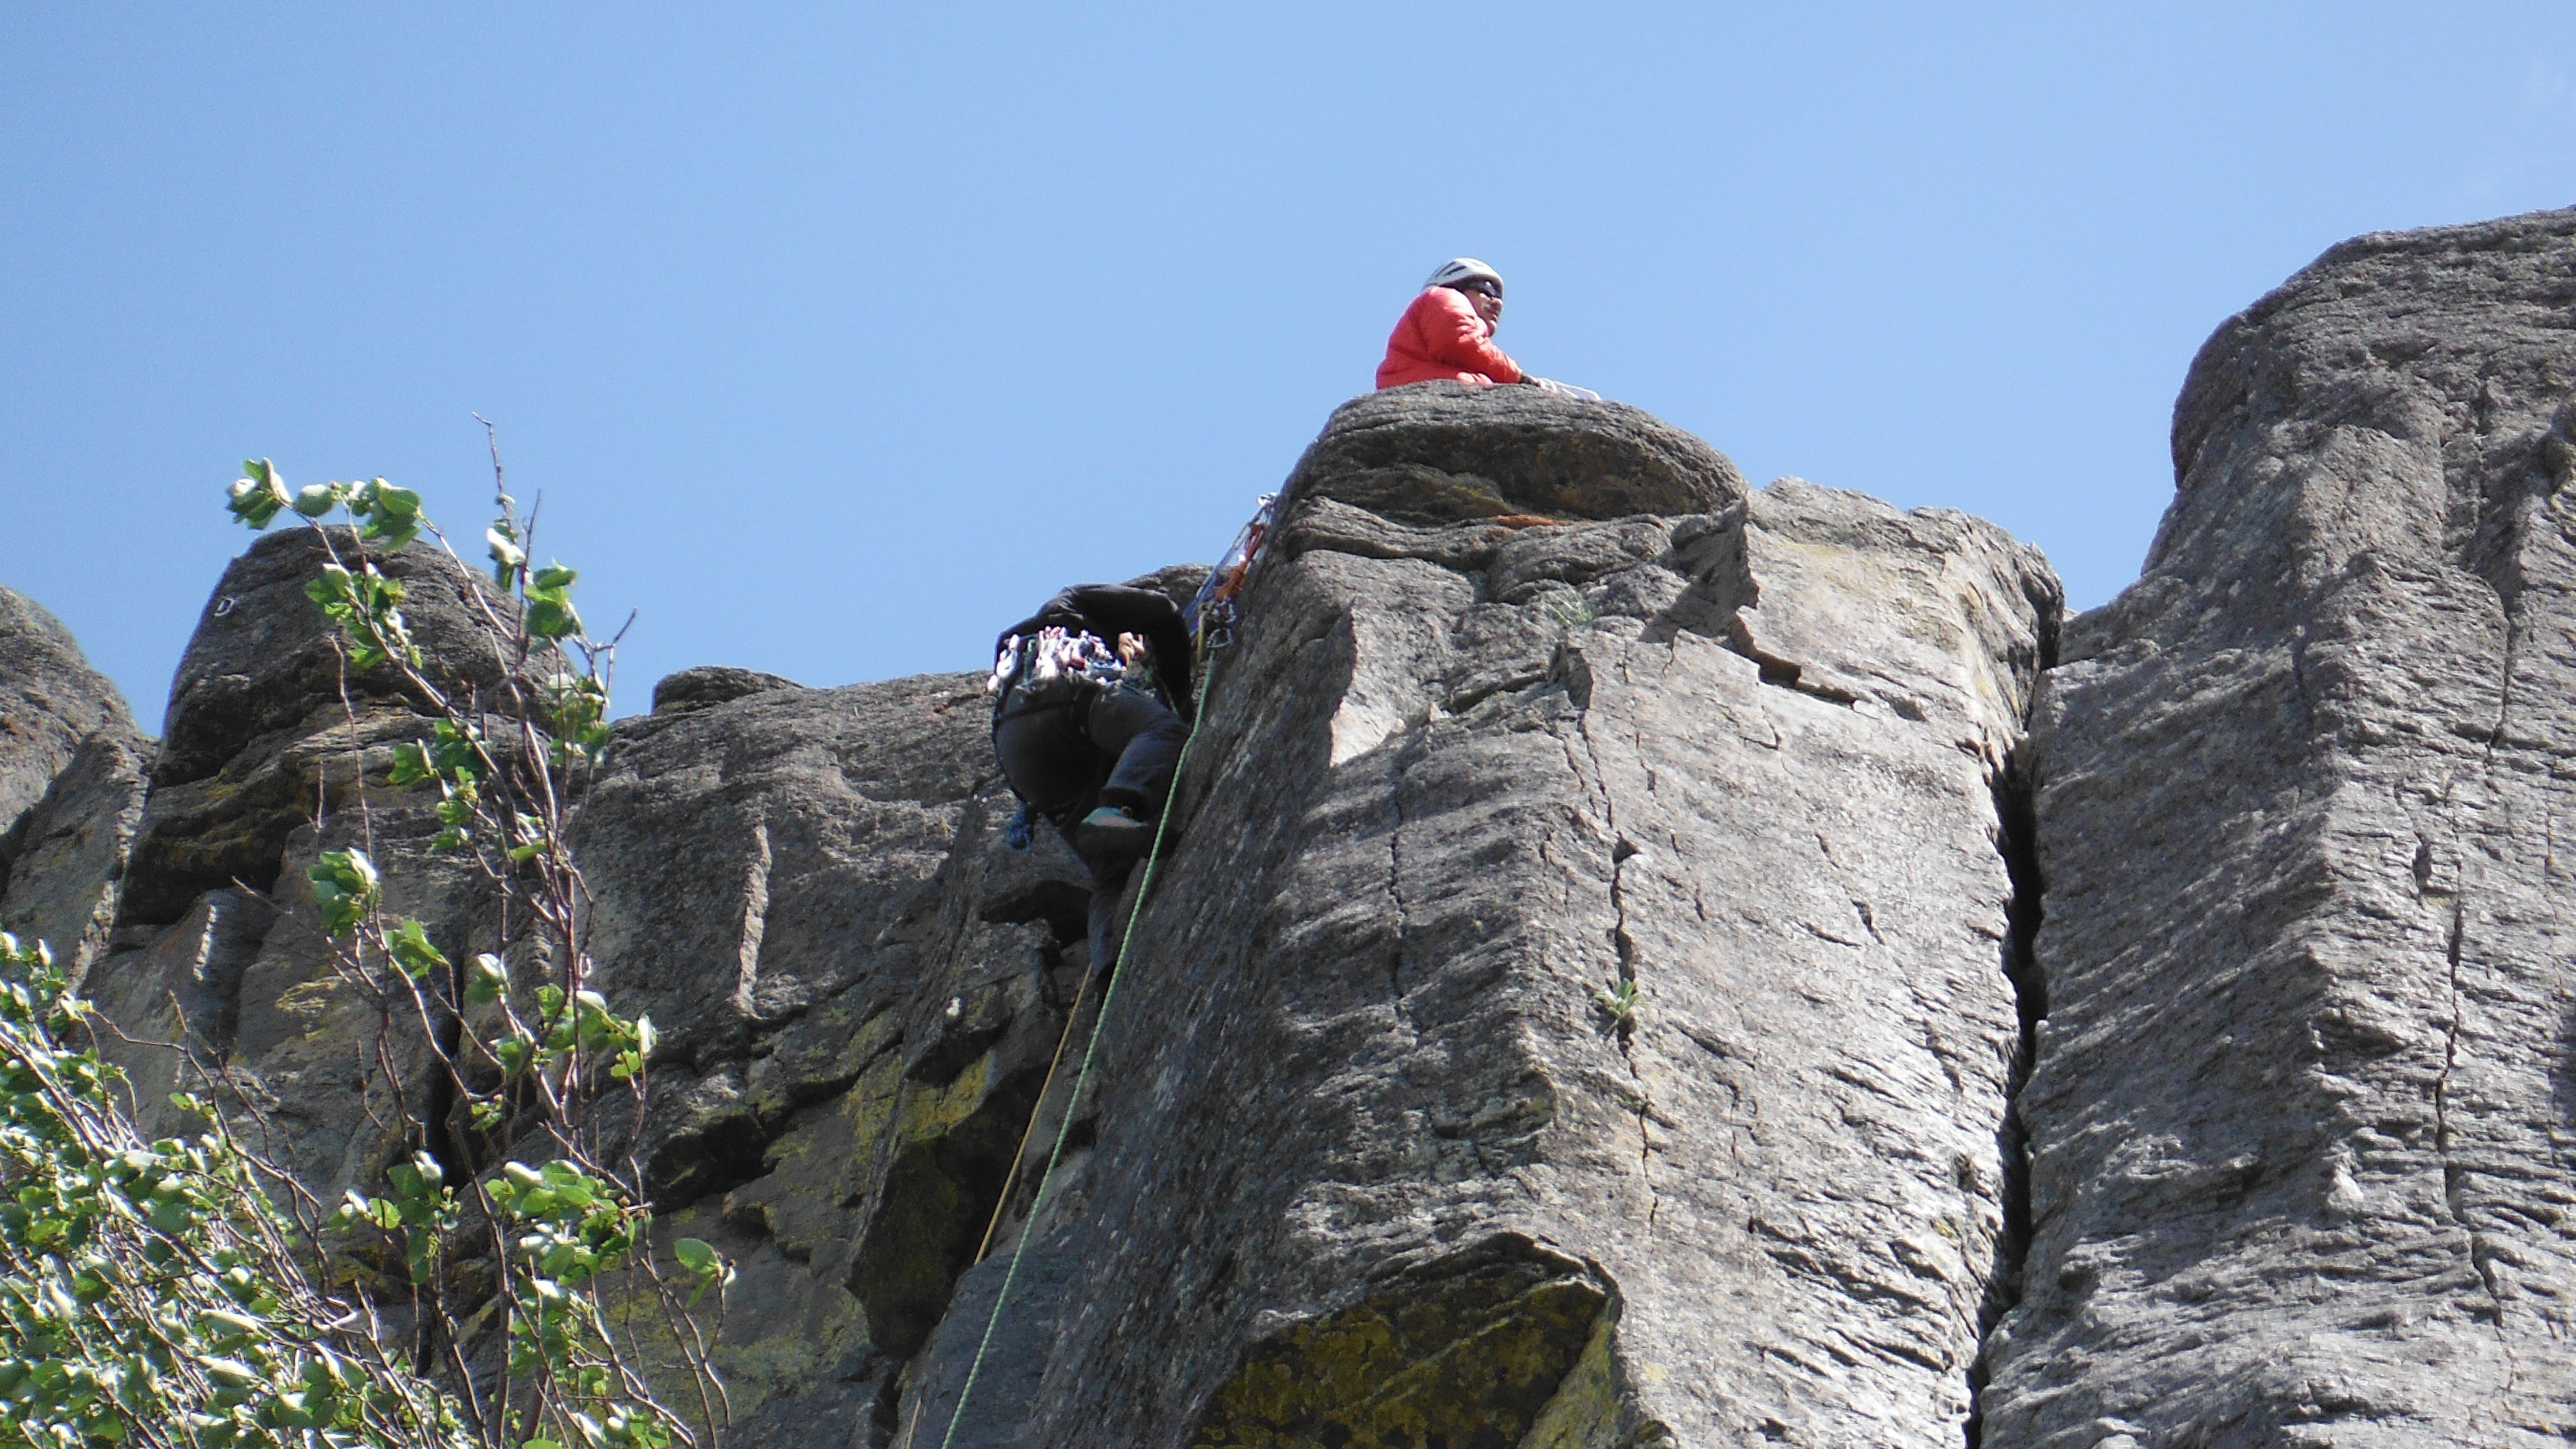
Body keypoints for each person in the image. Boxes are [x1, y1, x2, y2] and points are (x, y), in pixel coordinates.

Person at [989, 583, 1197, 969]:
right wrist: (1179, 700)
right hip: (1063, 698)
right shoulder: (1073, 603)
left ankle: (1106, 971)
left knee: (1110, 872)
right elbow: (1164, 612)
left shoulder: (1016, 654)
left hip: (1021, 749)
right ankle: (1116, 808)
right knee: (1164, 730)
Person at [1376, 258, 1524, 389]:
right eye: (1486, 289)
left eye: (1499, 297)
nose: (1497, 303)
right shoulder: (1441, 296)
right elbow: (1460, 342)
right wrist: (1517, 377)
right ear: (1455, 286)